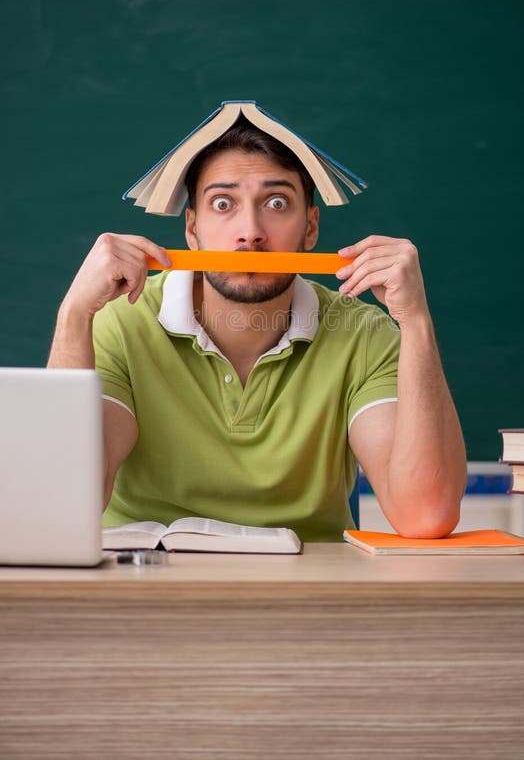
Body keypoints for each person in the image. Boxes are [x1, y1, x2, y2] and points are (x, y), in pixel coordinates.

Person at [48, 121, 466, 541]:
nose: (250, 233)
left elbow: (425, 514)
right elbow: (64, 503)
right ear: (192, 230)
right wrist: (74, 313)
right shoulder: (122, 321)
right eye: (224, 204)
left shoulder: (362, 332)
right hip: (146, 586)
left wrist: (416, 320)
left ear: (311, 228)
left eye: (278, 203)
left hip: (309, 593)